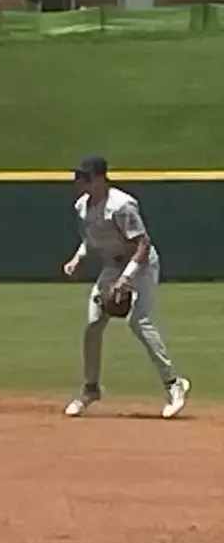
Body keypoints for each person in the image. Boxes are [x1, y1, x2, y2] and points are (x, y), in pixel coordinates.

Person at [62, 156, 190, 419]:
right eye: (78, 176)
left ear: (99, 178)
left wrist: (126, 279)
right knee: (93, 324)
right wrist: (78, 257)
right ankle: (91, 388)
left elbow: (143, 245)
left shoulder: (122, 205)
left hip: (140, 265)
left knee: (138, 321)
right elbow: (90, 237)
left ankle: (173, 383)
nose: (79, 181)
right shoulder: (82, 206)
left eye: (84, 177)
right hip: (112, 265)